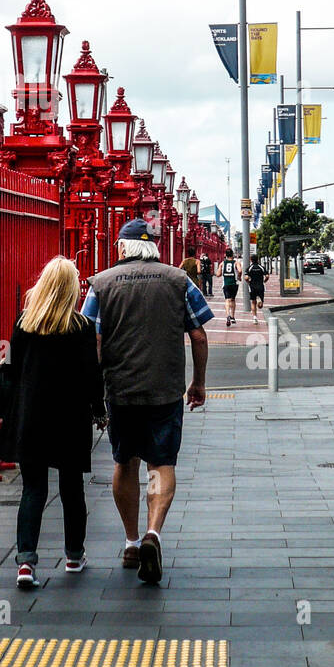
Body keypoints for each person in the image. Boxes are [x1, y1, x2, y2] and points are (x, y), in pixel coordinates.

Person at [81, 218, 213, 585]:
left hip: (120, 391)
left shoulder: (101, 284)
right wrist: (197, 384)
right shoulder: (178, 280)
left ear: (122, 249)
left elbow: (88, 339)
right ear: (154, 248)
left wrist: (95, 392)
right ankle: (154, 532)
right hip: (165, 390)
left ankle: (131, 541)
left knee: (125, 462)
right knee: (161, 462)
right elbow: (199, 336)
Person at [0, 257, 106, 590]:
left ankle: (26, 562)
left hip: (31, 417)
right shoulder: (82, 328)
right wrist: (99, 409)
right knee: (72, 489)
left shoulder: (24, 323)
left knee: (33, 489)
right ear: (72, 289)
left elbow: (11, 372)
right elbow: (91, 375)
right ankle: (74, 556)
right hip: (70, 418)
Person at [220, 246, 241, 326]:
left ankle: (227, 315)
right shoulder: (236, 263)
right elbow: (240, 270)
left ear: (225, 255)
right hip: (234, 284)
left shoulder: (222, 263)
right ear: (232, 254)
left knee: (227, 300)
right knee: (233, 299)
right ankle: (232, 316)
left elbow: (218, 274)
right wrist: (239, 276)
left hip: (226, 284)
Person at [245, 252, 267, 324]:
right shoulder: (261, 267)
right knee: (260, 306)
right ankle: (260, 301)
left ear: (251, 260)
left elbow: (246, 277)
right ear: (257, 260)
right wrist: (264, 281)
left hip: (252, 287)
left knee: (253, 302)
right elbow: (267, 276)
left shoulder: (249, 268)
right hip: (260, 286)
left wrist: (248, 282)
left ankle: (254, 318)